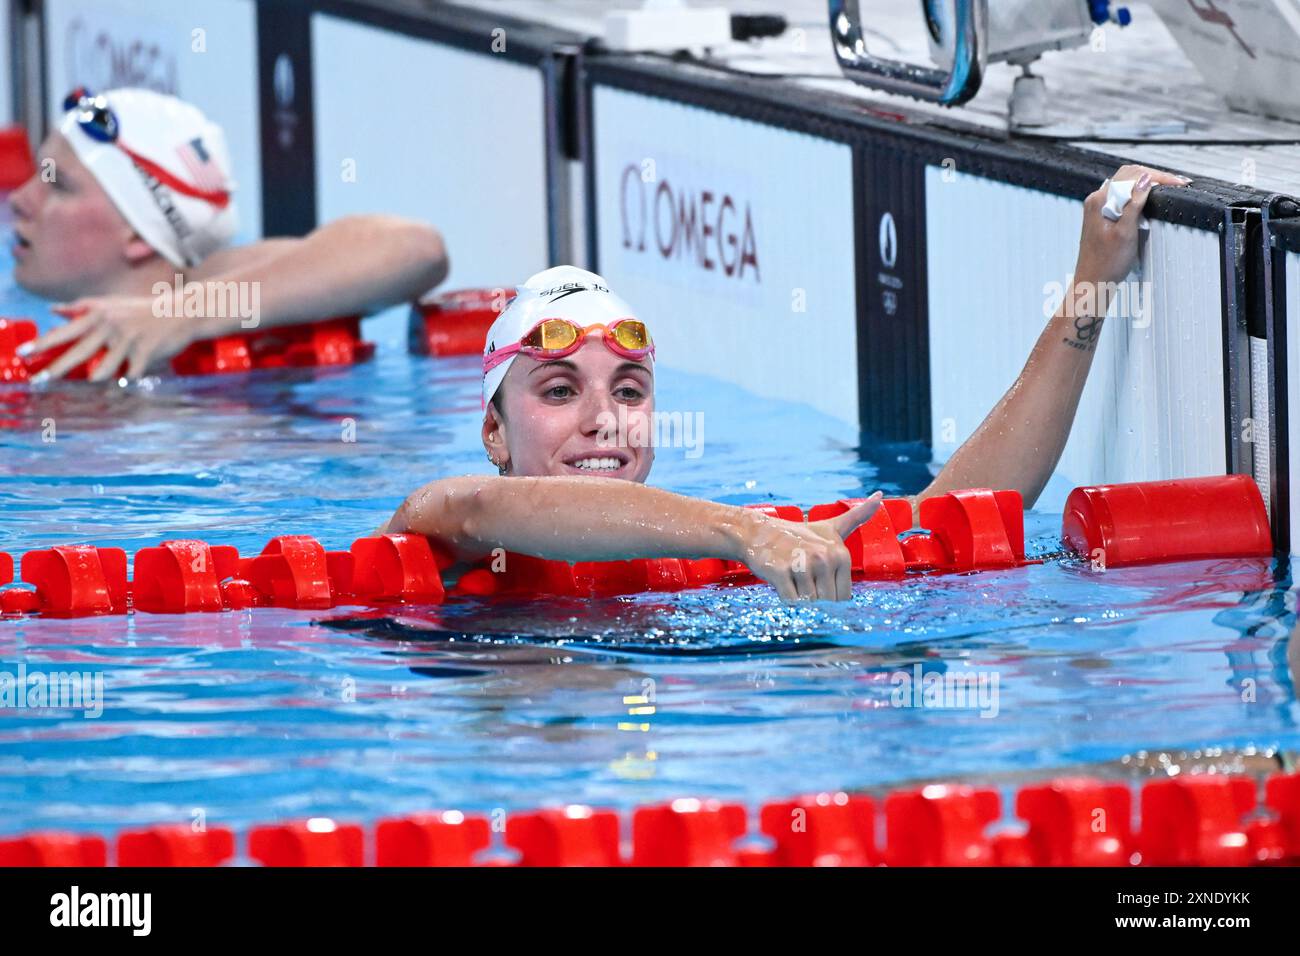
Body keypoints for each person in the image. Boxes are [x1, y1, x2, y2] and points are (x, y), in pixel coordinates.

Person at [379, 164, 1187, 604]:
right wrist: (740, 532)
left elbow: (959, 512)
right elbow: (481, 506)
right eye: (559, 392)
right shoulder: (440, 541)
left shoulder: (715, 554)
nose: (605, 421)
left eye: (629, 391)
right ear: (493, 431)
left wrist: (1094, 280)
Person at [11, 87, 448, 382]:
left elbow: (415, 248)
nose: (19, 199)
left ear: (138, 233)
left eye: (58, 185)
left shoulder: (210, 286)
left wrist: (174, 314)